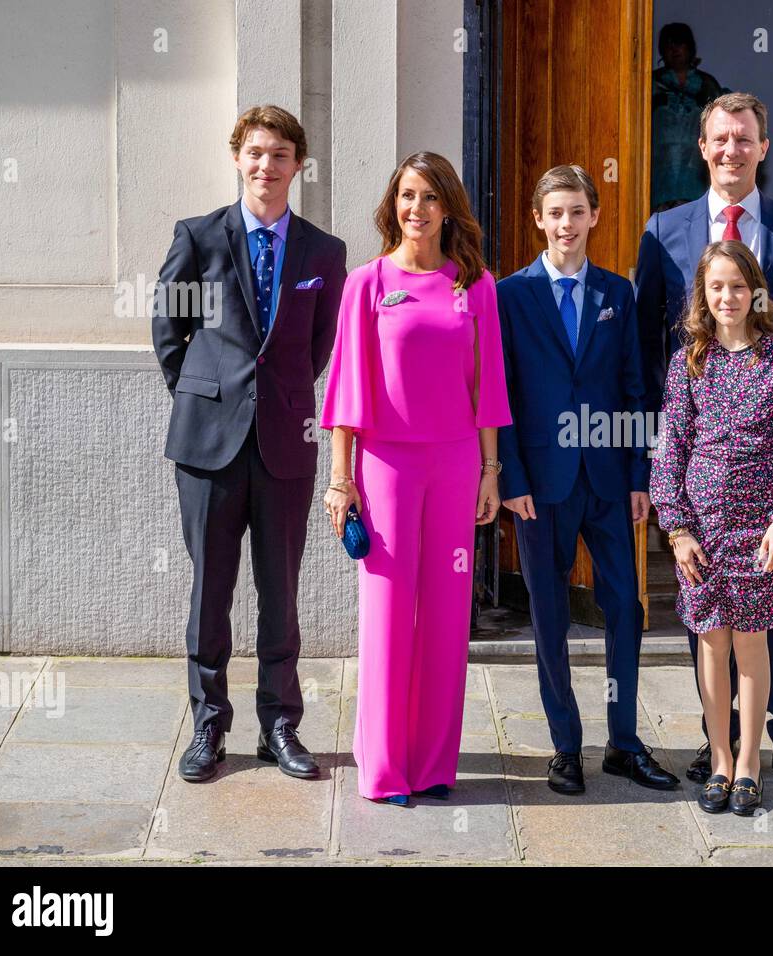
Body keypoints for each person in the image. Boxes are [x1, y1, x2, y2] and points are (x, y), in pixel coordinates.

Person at [636, 91, 773, 791]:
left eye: (744, 138)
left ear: (763, 147)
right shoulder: (663, 230)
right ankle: (716, 742)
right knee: (706, 623)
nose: (732, 150)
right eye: (720, 139)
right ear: (702, 147)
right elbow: (647, 342)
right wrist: (657, 456)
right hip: (699, 465)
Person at [153, 105, 347, 784]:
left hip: (285, 444)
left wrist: (279, 400)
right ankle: (209, 724)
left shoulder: (324, 252)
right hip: (207, 445)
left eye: (281, 155)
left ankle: (280, 726)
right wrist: (204, 395)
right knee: (211, 590)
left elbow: (319, 346)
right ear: (238, 157)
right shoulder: (199, 236)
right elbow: (169, 329)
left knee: (280, 592)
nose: (267, 165)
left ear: (299, 166)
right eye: (256, 153)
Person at [319, 152, 512, 807]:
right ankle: (383, 769)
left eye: (430, 197)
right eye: (407, 195)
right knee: (387, 615)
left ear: (448, 207)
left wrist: (490, 472)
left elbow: (488, 387)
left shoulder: (475, 286)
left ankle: (432, 766)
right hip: (386, 467)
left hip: (456, 464)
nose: (417, 208)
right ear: (393, 204)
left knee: (446, 617)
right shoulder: (367, 283)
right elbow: (347, 389)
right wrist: (341, 480)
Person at [497, 165, 678, 795]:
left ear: (594, 216)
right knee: (548, 612)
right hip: (539, 482)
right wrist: (510, 475)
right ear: (538, 220)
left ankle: (623, 741)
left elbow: (635, 387)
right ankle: (565, 744)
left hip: (607, 477)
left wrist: (639, 473)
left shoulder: (617, 294)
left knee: (625, 605)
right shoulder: (510, 295)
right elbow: (502, 394)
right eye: (556, 213)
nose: (567, 224)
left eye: (578, 211)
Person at [650, 241, 773, 816]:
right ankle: (719, 757)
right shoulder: (688, 362)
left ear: (756, 292)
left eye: (738, 286)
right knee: (711, 642)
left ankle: (749, 761)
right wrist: (677, 528)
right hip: (701, 532)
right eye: (716, 286)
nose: (728, 297)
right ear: (703, 294)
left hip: (758, 531)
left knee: (750, 643)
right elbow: (671, 449)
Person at [651, 22, 726, 212]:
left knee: (695, 218)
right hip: (659, 169)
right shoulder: (650, 84)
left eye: (679, 43)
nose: (674, 49)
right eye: (668, 45)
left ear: (690, 47)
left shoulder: (707, 84)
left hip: (696, 168)